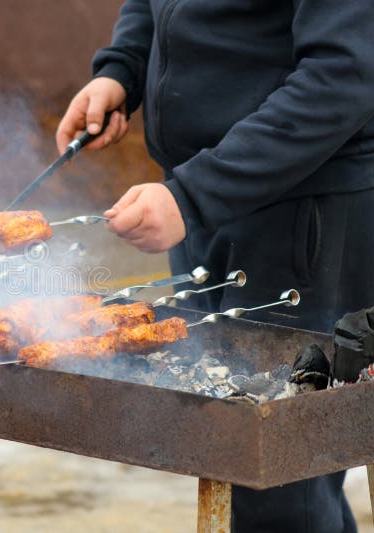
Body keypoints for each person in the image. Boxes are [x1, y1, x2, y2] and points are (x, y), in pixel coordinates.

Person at [56, 1, 374, 532]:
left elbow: (342, 76)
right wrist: (123, 69)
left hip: (304, 211)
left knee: (276, 479)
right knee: (240, 460)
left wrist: (193, 197)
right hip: (198, 196)